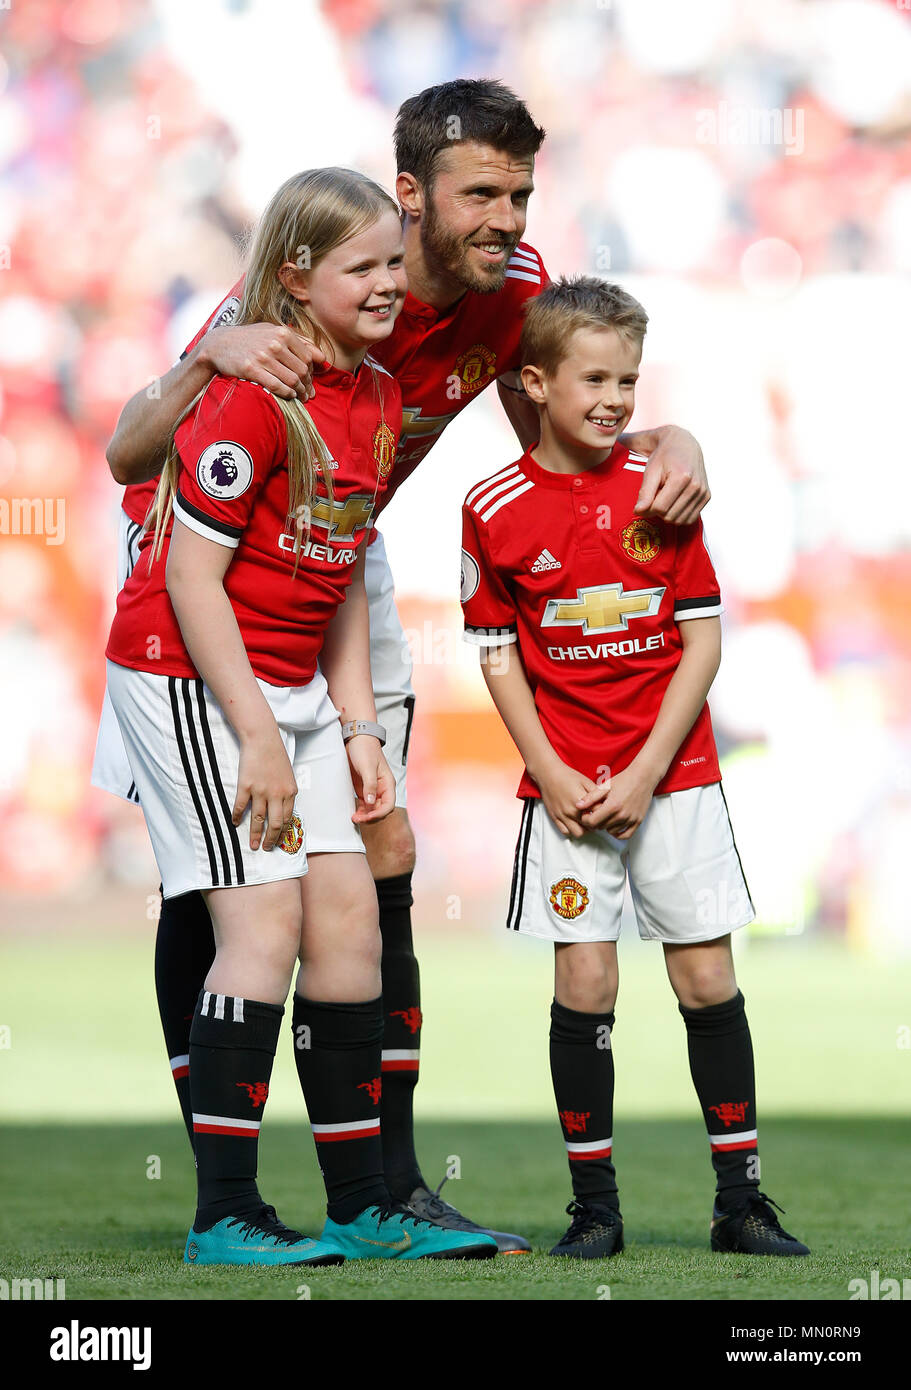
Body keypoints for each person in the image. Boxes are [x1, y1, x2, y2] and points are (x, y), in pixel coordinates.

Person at [96, 79, 710, 1251]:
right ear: (412, 194)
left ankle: (381, 1184)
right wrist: (208, 352)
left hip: (338, 544)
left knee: (374, 853)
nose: (508, 219)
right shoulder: (283, 313)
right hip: (212, 568)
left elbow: (571, 429)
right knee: (224, 883)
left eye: (522, 192)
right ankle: (223, 1182)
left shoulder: (497, 305)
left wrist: (666, 440)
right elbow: (134, 450)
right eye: (481, 194)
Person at [104, 165, 497, 1265]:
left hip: (295, 685)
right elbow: (189, 579)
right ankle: (223, 1214)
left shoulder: (372, 396)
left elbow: (334, 575)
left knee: (348, 927)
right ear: (294, 274)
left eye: (391, 262)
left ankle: (363, 1206)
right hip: (189, 674)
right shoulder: (245, 393)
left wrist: (359, 730)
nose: (388, 285)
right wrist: (265, 737)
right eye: (362, 266)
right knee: (262, 926)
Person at [460, 275, 809, 1259]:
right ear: (534, 381)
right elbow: (496, 653)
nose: (615, 398)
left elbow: (700, 643)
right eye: (594, 378)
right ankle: (593, 1210)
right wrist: (553, 772)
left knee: (704, 979)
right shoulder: (490, 509)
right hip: (566, 796)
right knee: (584, 987)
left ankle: (739, 1202)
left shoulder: (663, 489)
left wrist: (649, 768)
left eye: (628, 378)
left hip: (677, 781)